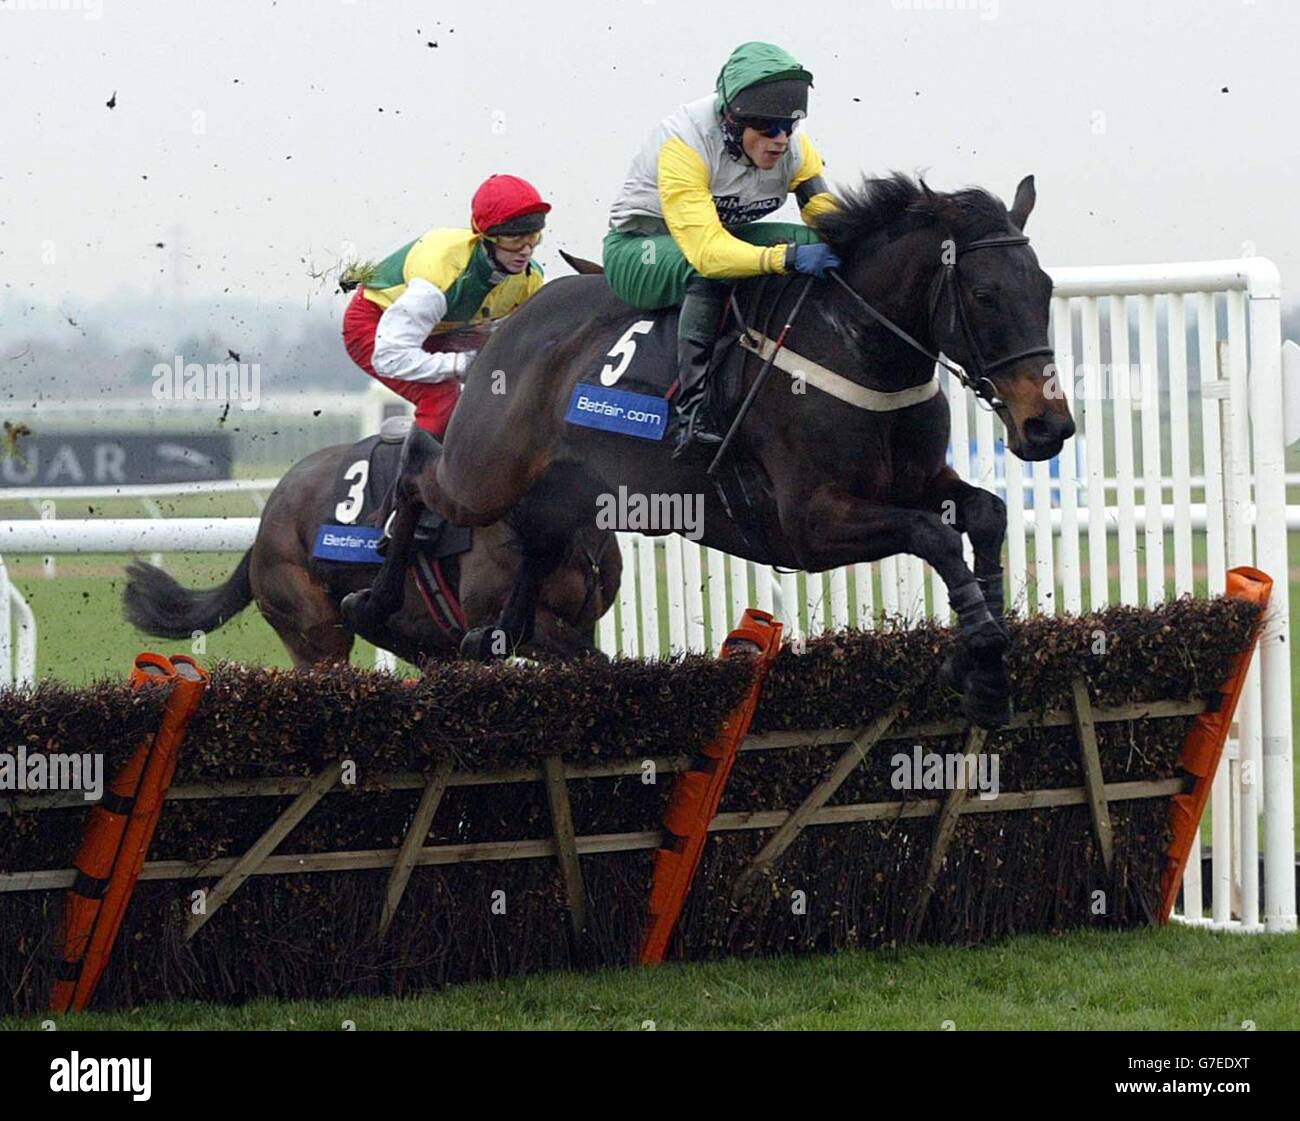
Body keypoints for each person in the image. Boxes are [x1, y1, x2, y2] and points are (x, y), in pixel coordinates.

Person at [604, 42, 841, 458]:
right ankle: (693, 413)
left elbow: (828, 219)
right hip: (640, 250)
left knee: (821, 246)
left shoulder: (796, 149)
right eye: (768, 128)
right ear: (732, 122)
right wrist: (784, 259)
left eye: (789, 126)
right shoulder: (685, 142)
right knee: (717, 269)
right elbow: (708, 254)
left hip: (716, 239)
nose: (781, 140)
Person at [341, 174, 549, 437]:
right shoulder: (441, 273)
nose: (526, 250)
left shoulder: (530, 281)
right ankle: (411, 477)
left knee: (505, 392)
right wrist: (461, 365)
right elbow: (390, 358)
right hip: (376, 324)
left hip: (447, 329)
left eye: (533, 238)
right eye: (514, 239)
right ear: (485, 236)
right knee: (441, 402)